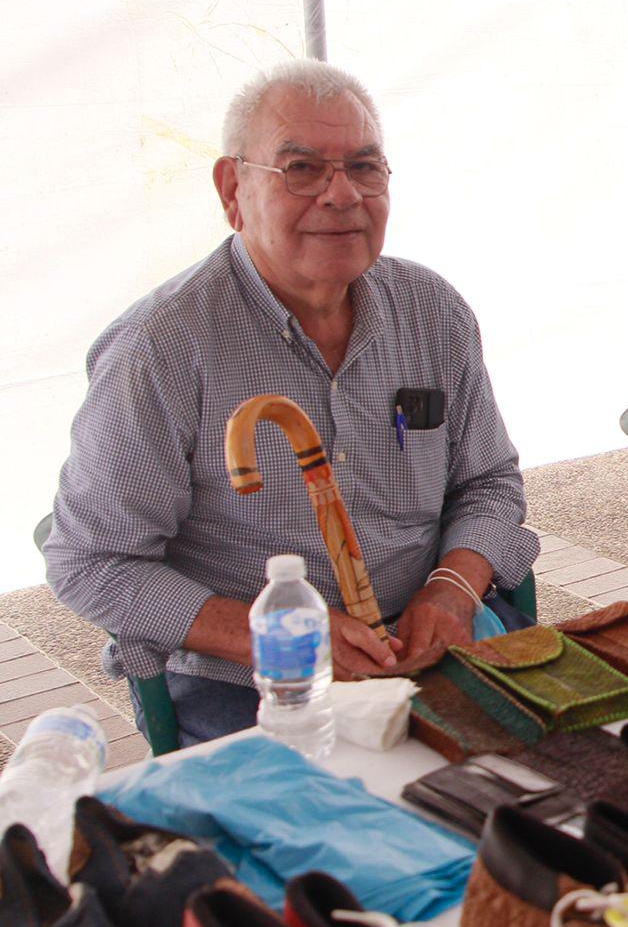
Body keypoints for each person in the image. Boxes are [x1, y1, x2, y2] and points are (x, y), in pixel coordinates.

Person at [44, 60, 539, 746]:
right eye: (301, 169)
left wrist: (453, 587)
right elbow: (92, 562)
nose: (342, 196)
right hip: (253, 682)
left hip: (431, 640)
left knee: (564, 799)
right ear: (232, 189)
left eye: (365, 167)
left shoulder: (431, 311)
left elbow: (488, 484)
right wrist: (278, 637)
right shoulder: (161, 350)